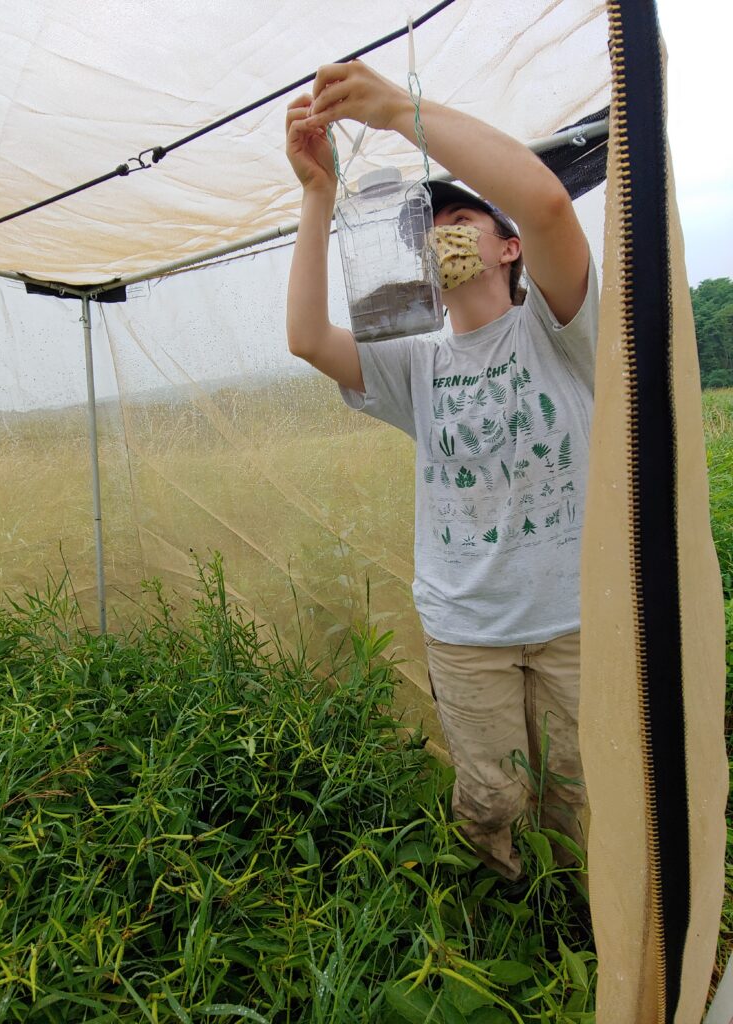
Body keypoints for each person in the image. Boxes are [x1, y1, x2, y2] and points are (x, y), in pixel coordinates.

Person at [285, 60, 597, 881]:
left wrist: (399, 111)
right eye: (426, 229)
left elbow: (548, 203)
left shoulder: (561, 329)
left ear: (508, 246)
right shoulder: (416, 365)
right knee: (490, 800)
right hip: (466, 630)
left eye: (460, 219)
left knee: (576, 798)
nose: (440, 234)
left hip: (572, 619)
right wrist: (318, 195)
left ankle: (573, 920)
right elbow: (307, 338)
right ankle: (502, 912)